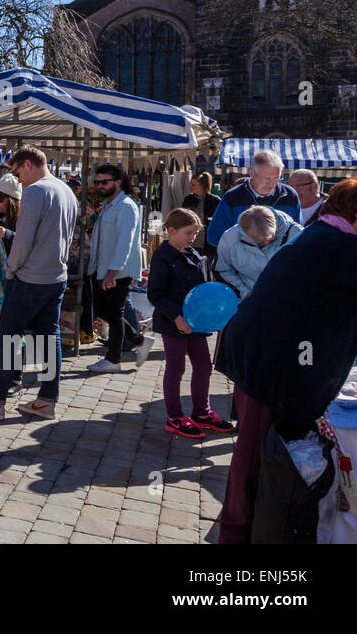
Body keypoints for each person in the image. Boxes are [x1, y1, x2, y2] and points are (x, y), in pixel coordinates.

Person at [216, 177, 357, 543]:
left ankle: (253, 527)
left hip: (269, 355)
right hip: (270, 361)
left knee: (267, 451)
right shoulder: (338, 246)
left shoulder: (325, 235)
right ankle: (237, 532)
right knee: (256, 452)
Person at [0, 146, 76, 421]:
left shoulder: (36, 191)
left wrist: (11, 270)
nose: (17, 179)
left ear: (27, 164)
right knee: (50, 339)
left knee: (5, 338)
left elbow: (23, 240)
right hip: (55, 276)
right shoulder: (66, 191)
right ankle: (47, 399)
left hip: (31, 278)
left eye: (16, 171)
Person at [147, 207, 234, 439]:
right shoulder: (162, 256)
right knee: (176, 369)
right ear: (172, 231)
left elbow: (205, 291)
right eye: (188, 233)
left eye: (195, 234)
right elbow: (155, 294)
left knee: (204, 366)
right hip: (173, 323)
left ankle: (201, 413)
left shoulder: (195, 255)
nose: (192, 238)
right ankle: (174, 417)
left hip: (197, 324)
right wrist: (177, 316)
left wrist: (215, 316)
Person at [85, 165, 149, 373]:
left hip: (117, 270)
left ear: (118, 182)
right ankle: (138, 339)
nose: (100, 186)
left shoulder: (126, 206)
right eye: (98, 182)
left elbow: (125, 242)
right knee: (105, 311)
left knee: (113, 312)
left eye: (105, 182)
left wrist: (113, 270)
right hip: (103, 267)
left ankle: (113, 359)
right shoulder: (109, 206)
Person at [205, 150, 300, 249]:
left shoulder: (290, 196)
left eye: (276, 178)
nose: (271, 184)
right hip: (242, 263)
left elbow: (297, 235)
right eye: (266, 179)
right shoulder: (233, 197)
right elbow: (214, 237)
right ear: (251, 173)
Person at [214, 205, 302, 299]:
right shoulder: (230, 238)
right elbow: (223, 270)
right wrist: (244, 291)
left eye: (270, 239)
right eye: (260, 241)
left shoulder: (297, 235)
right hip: (250, 300)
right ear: (246, 235)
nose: (266, 243)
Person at [182, 171, 223, 260]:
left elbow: (219, 221)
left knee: (207, 270)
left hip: (209, 243)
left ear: (202, 186)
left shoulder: (215, 200)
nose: (190, 187)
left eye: (193, 185)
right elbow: (182, 217)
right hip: (191, 241)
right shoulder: (188, 199)